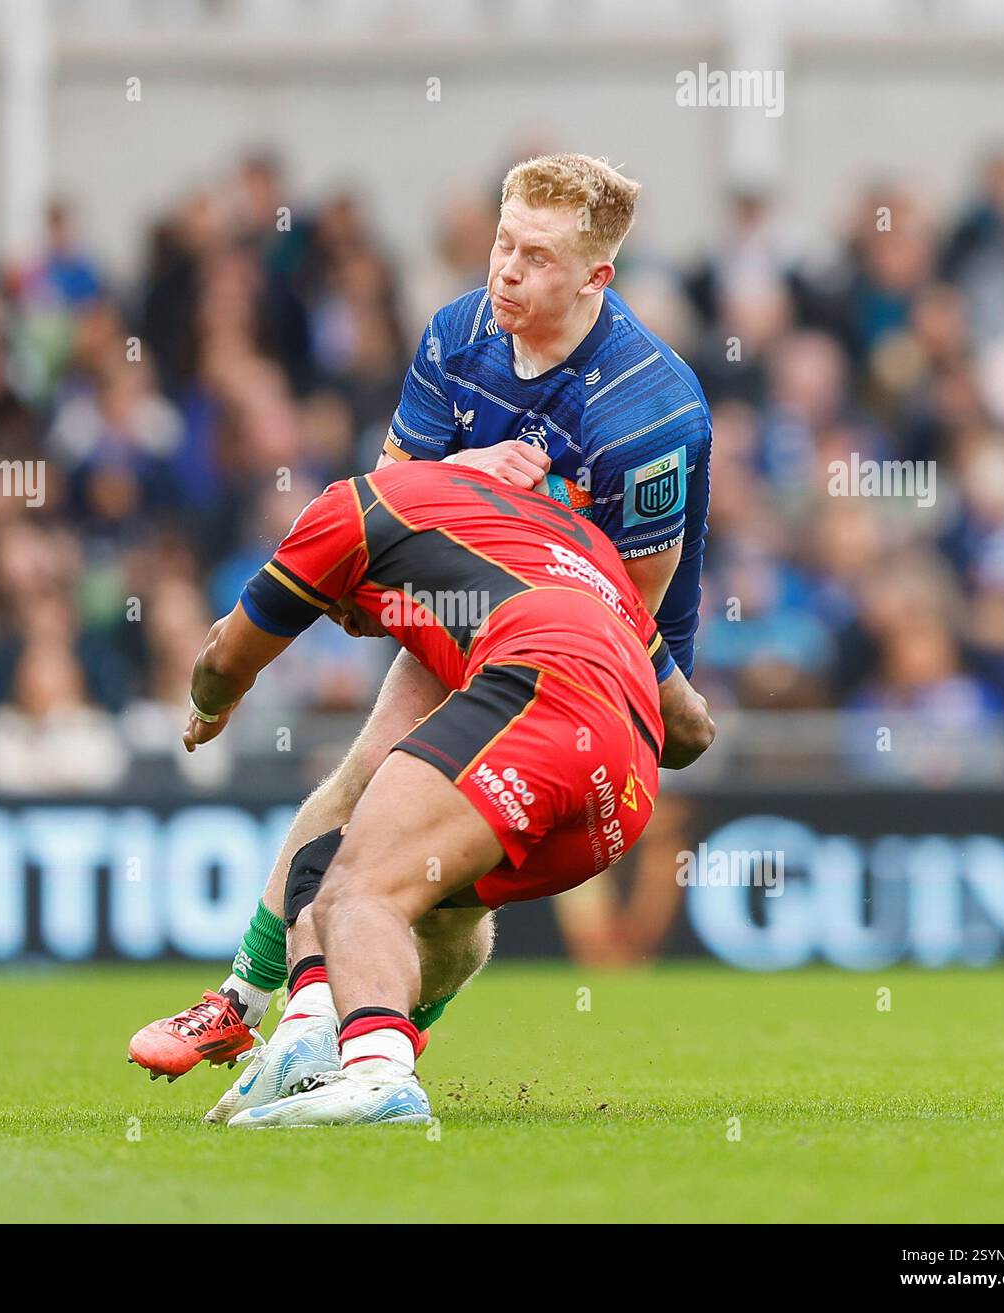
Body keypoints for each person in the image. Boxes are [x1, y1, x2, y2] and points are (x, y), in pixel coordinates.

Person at [128, 152, 714, 1084]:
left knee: (678, 739)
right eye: (501, 243)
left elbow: (622, 611)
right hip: (474, 599)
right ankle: (248, 1004)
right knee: (368, 777)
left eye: (537, 258)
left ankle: (354, 1030)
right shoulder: (457, 334)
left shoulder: (649, 410)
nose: (506, 271)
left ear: (597, 277)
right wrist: (475, 474)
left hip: (601, 644)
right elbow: (393, 494)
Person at [164, 458, 710, 1126]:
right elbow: (690, 729)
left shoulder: (352, 507)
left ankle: (376, 1072)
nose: (342, 621)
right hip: (619, 799)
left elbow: (225, 655)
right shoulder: (581, 546)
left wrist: (207, 707)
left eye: (336, 606)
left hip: (544, 693)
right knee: (357, 882)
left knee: (359, 888)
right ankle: (314, 1036)